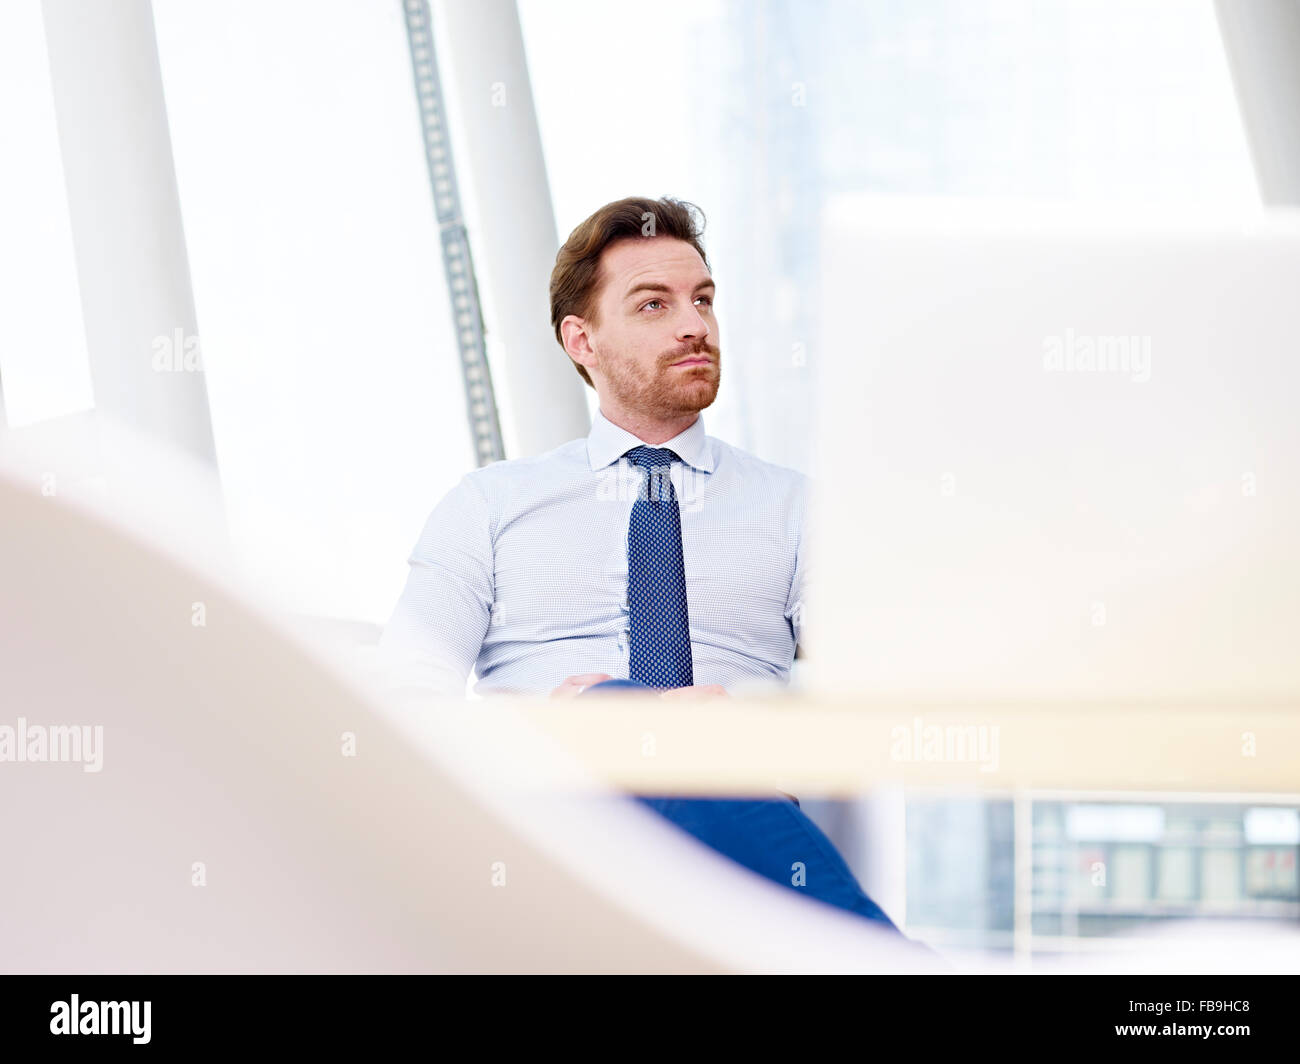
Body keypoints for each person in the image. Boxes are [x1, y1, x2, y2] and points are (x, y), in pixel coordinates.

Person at [380, 195, 898, 932]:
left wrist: (739, 717)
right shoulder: (490, 506)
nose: (694, 325)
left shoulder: (796, 510)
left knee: (656, 734)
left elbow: (868, 689)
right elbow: (408, 695)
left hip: (734, 843)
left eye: (704, 301)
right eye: (653, 305)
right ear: (581, 341)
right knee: (610, 720)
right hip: (548, 836)